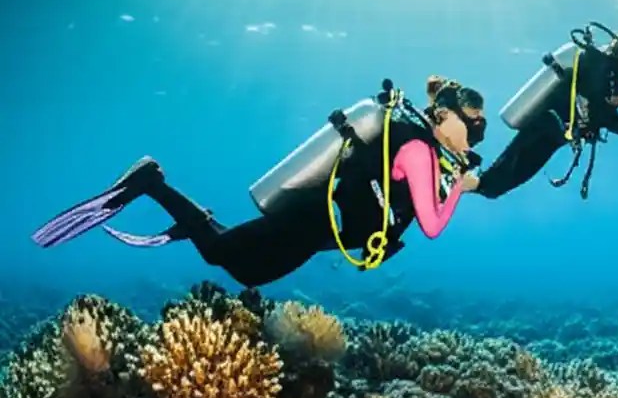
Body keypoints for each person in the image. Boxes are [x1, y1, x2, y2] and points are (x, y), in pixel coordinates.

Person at [32, 78, 487, 289]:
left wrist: (453, 180)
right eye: (474, 124)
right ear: (446, 116)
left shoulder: (425, 149)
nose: (476, 134)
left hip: (321, 227)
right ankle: (152, 183)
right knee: (227, 257)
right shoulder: (418, 149)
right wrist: (462, 189)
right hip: (315, 220)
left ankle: (186, 215)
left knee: (243, 269)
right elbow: (431, 225)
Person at [475, 24, 618, 200]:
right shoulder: (599, 64)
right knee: (498, 177)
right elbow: (607, 117)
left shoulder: (608, 72)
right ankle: (465, 178)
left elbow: (606, 115)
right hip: (548, 125)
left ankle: (469, 181)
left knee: (498, 185)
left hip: (557, 134)